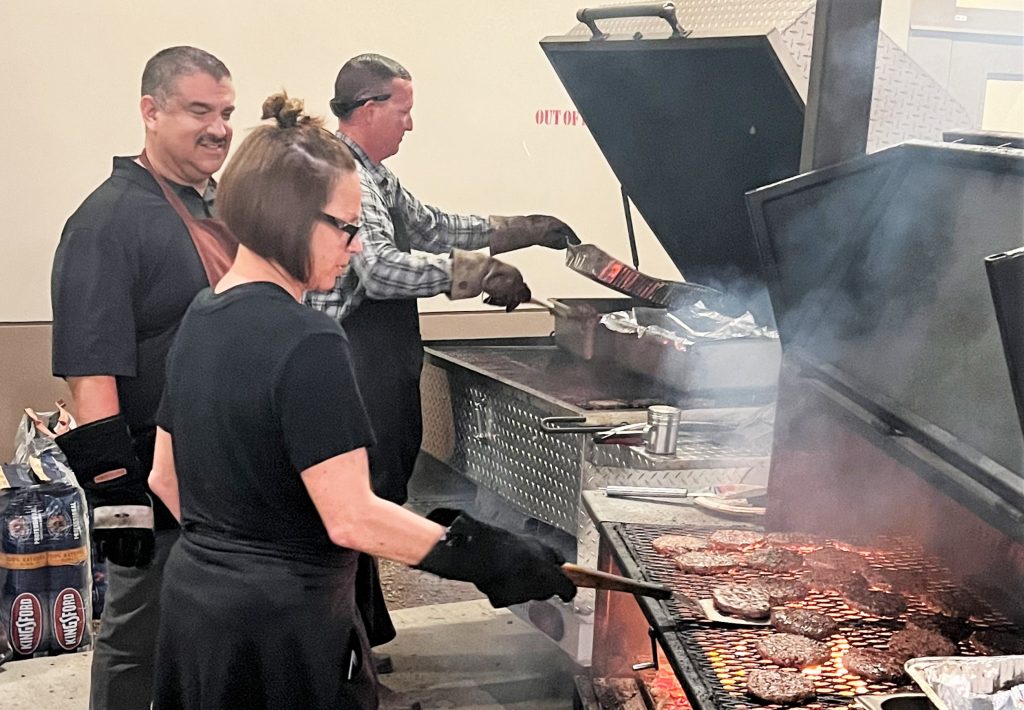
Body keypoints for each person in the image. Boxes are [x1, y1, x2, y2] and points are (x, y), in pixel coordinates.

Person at [146, 93, 575, 710]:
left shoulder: (201, 312)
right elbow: (351, 516)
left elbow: (165, 477)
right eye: (346, 229)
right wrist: (489, 556)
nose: (355, 248)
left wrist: (234, 555)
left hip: (196, 611)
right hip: (283, 630)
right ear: (290, 219)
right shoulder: (310, 338)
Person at [306, 53, 578, 655]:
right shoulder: (336, 170)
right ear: (370, 108)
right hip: (348, 358)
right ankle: (338, 648)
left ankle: (361, 636)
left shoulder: (373, 174)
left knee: (373, 496)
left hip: (375, 359)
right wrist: (479, 273)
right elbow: (376, 270)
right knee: (359, 502)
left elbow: (431, 227)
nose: (410, 124)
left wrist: (523, 229)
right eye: (404, 112)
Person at [50, 46, 237, 710]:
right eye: (199, 111)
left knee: (211, 633)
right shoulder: (105, 223)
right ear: (150, 112)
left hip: (228, 471)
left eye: (226, 113)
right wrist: (118, 498)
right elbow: (91, 371)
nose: (218, 128)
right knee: (138, 637)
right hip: (154, 474)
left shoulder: (213, 205)